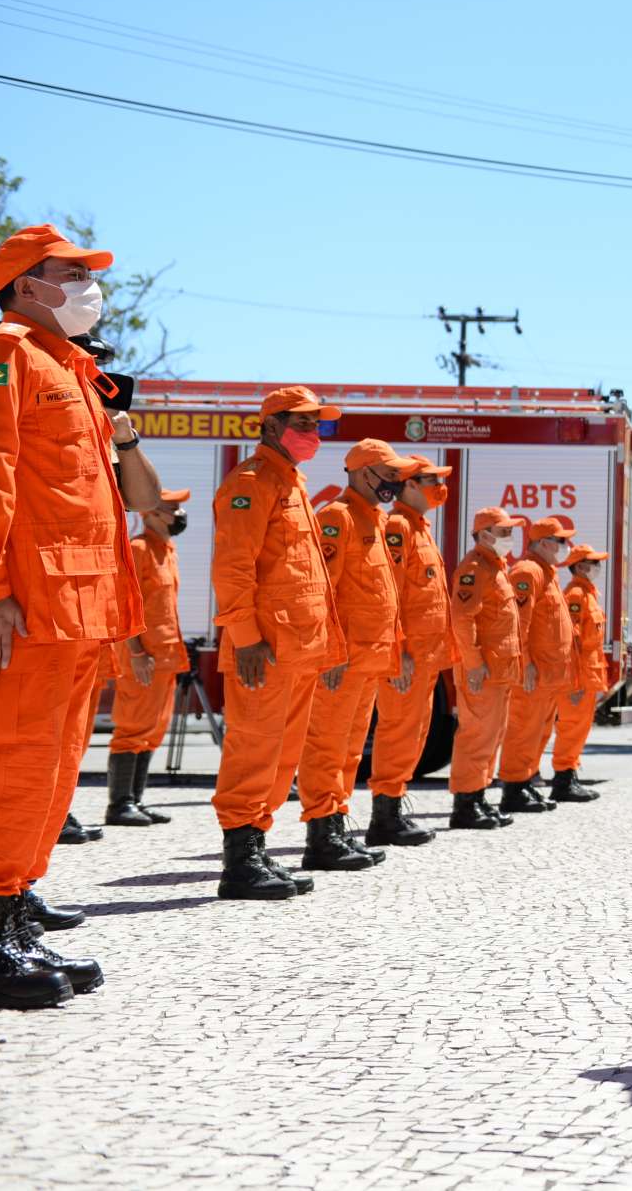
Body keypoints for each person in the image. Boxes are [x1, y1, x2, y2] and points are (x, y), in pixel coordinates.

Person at [0, 224, 158, 1008]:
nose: (88, 286)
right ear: (24, 283)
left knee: (50, 774)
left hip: (79, 608)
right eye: (70, 273)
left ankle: (12, 915)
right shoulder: (5, 353)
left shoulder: (73, 369)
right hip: (27, 607)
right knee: (11, 769)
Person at [209, 386, 348, 902]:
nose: (313, 434)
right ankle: (239, 861)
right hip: (263, 648)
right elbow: (233, 566)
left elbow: (308, 580)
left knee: (281, 756)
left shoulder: (292, 484)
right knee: (253, 751)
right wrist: (244, 637)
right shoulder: (251, 482)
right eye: (303, 423)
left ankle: (257, 850)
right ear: (269, 425)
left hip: (298, 649)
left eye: (318, 425)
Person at [296, 439, 416, 872]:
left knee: (348, 750)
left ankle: (337, 826)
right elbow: (324, 591)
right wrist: (331, 651)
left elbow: (386, 597)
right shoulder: (336, 518)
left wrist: (396, 649)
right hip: (343, 660)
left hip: (369, 659)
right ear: (364, 473)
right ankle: (321, 835)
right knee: (326, 747)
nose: (395, 483)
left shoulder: (375, 521)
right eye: (389, 475)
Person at [366, 455, 455, 847]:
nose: (440, 486)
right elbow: (391, 595)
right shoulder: (398, 527)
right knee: (397, 732)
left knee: (414, 734)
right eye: (432, 479)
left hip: (427, 657)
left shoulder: (421, 528)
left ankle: (394, 809)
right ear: (411, 484)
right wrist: (398, 650)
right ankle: (384, 817)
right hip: (409, 656)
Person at [106, 488, 192, 827]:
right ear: (151, 513)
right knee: (132, 727)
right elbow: (123, 606)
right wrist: (136, 652)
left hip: (165, 656)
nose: (179, 514)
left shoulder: (167, 551)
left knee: (153, 729)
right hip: (143, 657)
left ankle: (135, 800)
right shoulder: (139, 550)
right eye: (172, 508)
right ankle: (119, 804)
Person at [448, 507, 523, 830]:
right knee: (476, 735)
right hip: (483, 670)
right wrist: (474, 664)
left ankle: (478, 796)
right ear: (485, 534)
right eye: (505, 532)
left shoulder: (496, 568)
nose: (511, 538)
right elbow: (463, 619)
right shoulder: (475, 568)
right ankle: (465, 804)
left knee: (491, 735)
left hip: (498, 670)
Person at [497, 517, 575, 813]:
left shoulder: (547, 573)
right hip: (535, 672)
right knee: (523, 729)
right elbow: (519, 623)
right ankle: (513, 790)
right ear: (543, 543)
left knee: (538, 731)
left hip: (549, 675)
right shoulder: (528, 572)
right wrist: (525, 662)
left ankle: (525, 781)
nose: (567, 547)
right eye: (561, 541)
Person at [551, 543, 612, 804]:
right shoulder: (576, 595)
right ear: (581, 567)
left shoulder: (587, 594)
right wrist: (574, 682)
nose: (598, 567)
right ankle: (563, 781)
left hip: (587, 676)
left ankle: (569, 775)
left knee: (579, 729)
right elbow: (571, 642)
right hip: (578, 678)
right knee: (571, 728)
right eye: (594, 563)